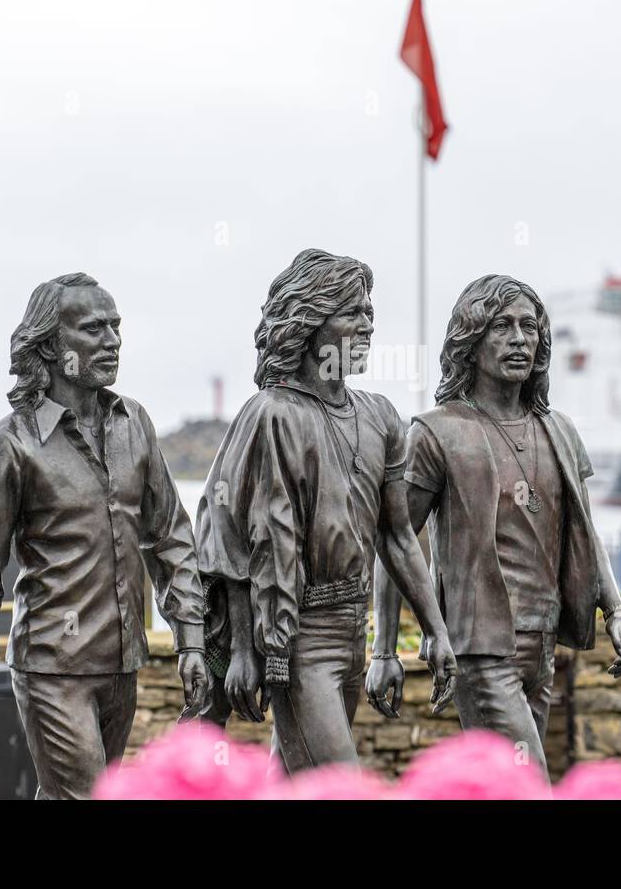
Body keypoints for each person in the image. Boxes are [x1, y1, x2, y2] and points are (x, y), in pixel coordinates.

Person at [0, 273, 210, 799]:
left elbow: (170, 538)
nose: (112, 340)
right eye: (93, 329)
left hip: (123, 664)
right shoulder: (9, 445)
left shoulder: (134, 423)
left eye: (115, 327)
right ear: (50, 345)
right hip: (53, 667)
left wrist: (191, 637)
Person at [196, 249, 457, 772]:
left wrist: (435, 630)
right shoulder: (271, 414)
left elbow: (397, 536)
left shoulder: (381, 416)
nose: (367, 325)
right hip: (298, 638)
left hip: (352, 632)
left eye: (369, 313)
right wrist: (244, 648)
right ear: (310, 323)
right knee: (338, 781)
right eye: (352, 313)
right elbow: (228, 540)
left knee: (294, 780)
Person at [367, 274, 621, 780]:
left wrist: (615, 607)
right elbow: (395, 540)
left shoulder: (559, 429)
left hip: (544, 639)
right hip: (479, 644)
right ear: (471, 340)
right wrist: (384, 650)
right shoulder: (436, 432)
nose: (519, 339)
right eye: (502, 326)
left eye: (528, 327)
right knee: (528, 782)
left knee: (507, 784)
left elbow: (584, 532)